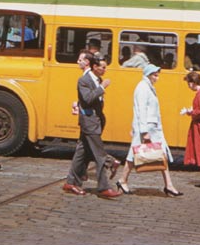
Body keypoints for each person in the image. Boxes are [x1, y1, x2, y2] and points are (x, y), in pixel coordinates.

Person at [118, 63, 181, 197]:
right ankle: (122, 180)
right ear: (148, 74)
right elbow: (141, 109)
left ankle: (168, 185)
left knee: (161, 153)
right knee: (134, 155)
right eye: (155, 75)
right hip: (147, 128)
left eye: (157, 75)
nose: (157, 78)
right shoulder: (142, 87)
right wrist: (143, 131)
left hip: (153, 127)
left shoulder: (148, 87)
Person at [64, 52, 121, 199]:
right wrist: (102, 87)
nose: (104, 70)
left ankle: (71, 182)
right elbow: (88, 98)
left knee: (81, 152)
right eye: (102, 67)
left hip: (95, 121)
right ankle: (103, 187)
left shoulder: (97, 79)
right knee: (99, 155)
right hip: (89, 122)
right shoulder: (84, 80)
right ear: (94, 66)